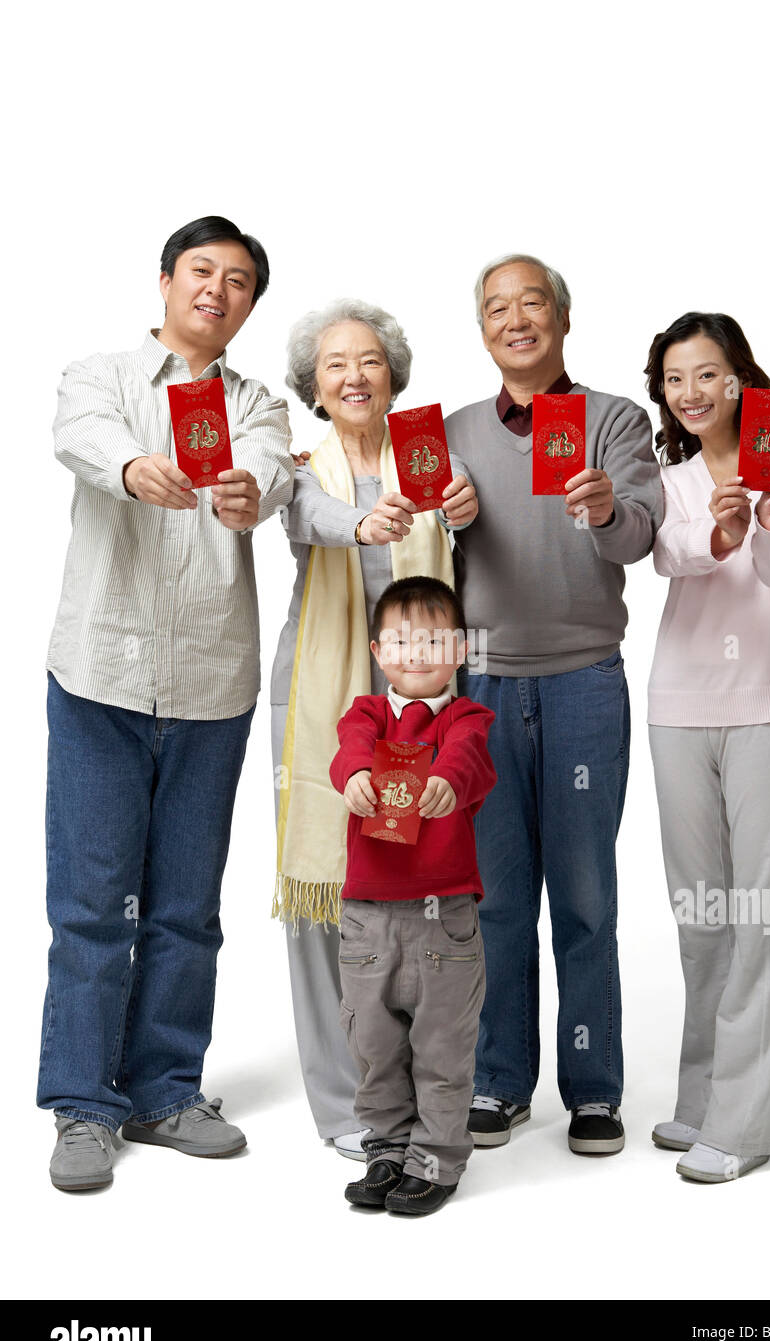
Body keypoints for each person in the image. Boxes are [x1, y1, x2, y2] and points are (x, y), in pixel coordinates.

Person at [39, 215, 293, 1191]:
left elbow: (271, 473)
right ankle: (82, 1104)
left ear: (248, 304)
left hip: (210, 685)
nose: (216, 290)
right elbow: (80, 436)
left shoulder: (257, 404)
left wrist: (247, 490)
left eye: (237, 280)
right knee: (96, 903)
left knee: (185, 908)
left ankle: (163, 1089)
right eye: (201, 271)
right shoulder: (99, 378)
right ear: (165, 280)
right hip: (100, 673)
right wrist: (133, 466)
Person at [445, 254, 663, 1154]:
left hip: (582, 681)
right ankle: (499, 1081)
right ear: (484, 329)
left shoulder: (613, 421)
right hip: (483, 684)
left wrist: (607, 507)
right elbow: (418, 568)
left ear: (563, 319)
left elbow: (641, 538)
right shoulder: (451, 432)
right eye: (497, 307)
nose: (515, 318)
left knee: (583, 897)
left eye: (532, 302)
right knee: (494, 899)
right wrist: (436, 518)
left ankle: (594, 1088)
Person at [265, 300, 477, 1160]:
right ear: (313, 386)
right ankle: (345, 1103)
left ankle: (423, 1092)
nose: (353, 376)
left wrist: (460, 510)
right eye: (334, 366)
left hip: (423, 703)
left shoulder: (433, 455)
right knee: (326, 893)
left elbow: (470, 541)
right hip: (320, 694)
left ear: (393, 373)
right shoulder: (298, 465)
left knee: (419, 884)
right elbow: (306, 519)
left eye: (369, 362)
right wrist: (361, 523)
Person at [644, 311, 770, 1182]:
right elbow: (669, 558)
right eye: (677, 379)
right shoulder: (670, 474)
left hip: (768, 706)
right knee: (703, 921)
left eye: (709, 375)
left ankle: (748, 1124)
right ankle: (704, 1100)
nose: (692, 394)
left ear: (741, 377)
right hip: (679, 706)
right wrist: (719, 530)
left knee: (758, 916)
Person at [330, 576, 496, 1215]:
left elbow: (468, 759)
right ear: (378, 650)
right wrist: (358, 776)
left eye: (432, 639)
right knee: (374, 1045)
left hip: (441, 922)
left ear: (458, 649)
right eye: (400, 639)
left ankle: (435, 1159)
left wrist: (450, 783)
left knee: (441, 1048)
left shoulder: (466, 718)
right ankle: (386, 1150)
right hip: (368, 920)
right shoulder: (366, 717)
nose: (416, 651)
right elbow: (347, 751)